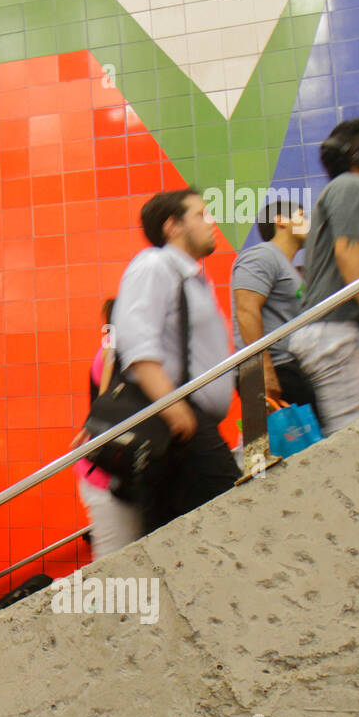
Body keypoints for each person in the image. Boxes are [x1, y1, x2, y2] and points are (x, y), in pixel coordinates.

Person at [111, 189, 241, 535]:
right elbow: (138, 345)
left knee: (177, 535)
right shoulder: (154, 265)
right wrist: (171, 406)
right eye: (201, 215)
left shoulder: (194, 279)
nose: (211, 223)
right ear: (173, 225)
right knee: (237, 512)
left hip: (189, 422)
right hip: (178, 420)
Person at [287, 119, 359, 433]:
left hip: (335, 331)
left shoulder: (353, 193)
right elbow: (349, 252)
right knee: (358, 439)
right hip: (335, 332)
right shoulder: (352, 186)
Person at [231, 200, 321, 424]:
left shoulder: (289, 267)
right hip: (272, 371)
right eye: (302, 216)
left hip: (289, 370)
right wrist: (264, 371)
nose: (309, 223)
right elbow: (246, 311)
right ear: (280, 220)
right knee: (271, 453)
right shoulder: (262, 255)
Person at [72, 299, 143, 558]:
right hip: (105, 473)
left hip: (107, 470)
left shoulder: (115, 349)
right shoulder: (114, 350)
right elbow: (105, 402)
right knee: (115, 563)